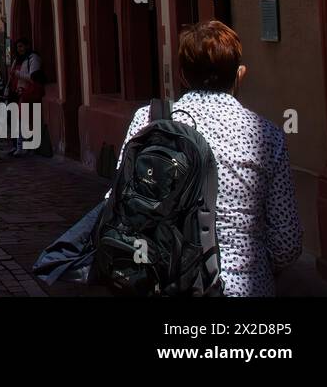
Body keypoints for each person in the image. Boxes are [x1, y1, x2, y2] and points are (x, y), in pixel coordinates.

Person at [112, 20, 301, 297]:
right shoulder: (267, 135)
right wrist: (253, 266)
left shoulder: (150, 122)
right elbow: (287, 239)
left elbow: (116, 201)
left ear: (182, 76)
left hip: (165, 283)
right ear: (240, 74)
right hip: (244, 286)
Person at [6, 38, 44, 156]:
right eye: (18, 47)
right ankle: (19, 145)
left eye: (22, 46)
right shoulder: (17, 59)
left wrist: (17, 74)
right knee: (15, 120)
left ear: (27, 46)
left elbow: (33, 77)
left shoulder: (33, 58)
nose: (20, 49)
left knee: (25, 121)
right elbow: (11, 77)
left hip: (28, 93)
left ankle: (23, 146)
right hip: (16, 92)